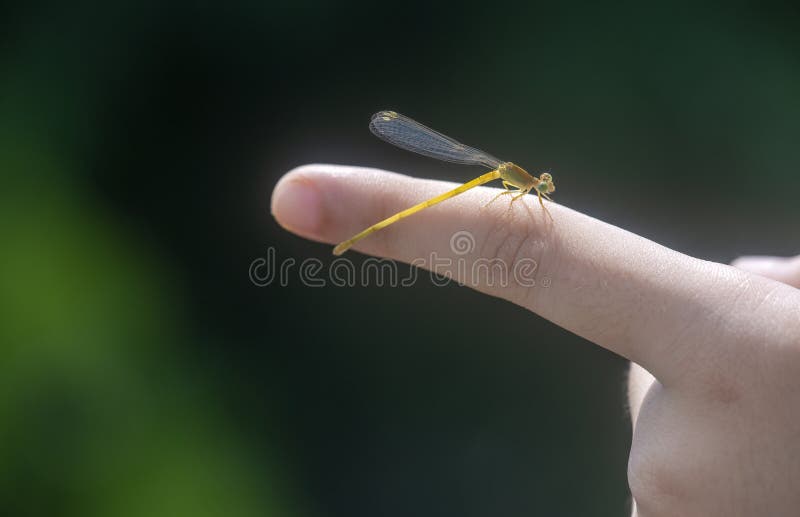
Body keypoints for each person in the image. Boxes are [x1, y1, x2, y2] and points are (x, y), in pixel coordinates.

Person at [271, 164, 800, 516]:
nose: (542, 189)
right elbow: (513, 215)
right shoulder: (516, 185)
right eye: (540, 186)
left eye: (540, 187)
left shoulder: (527, 190)